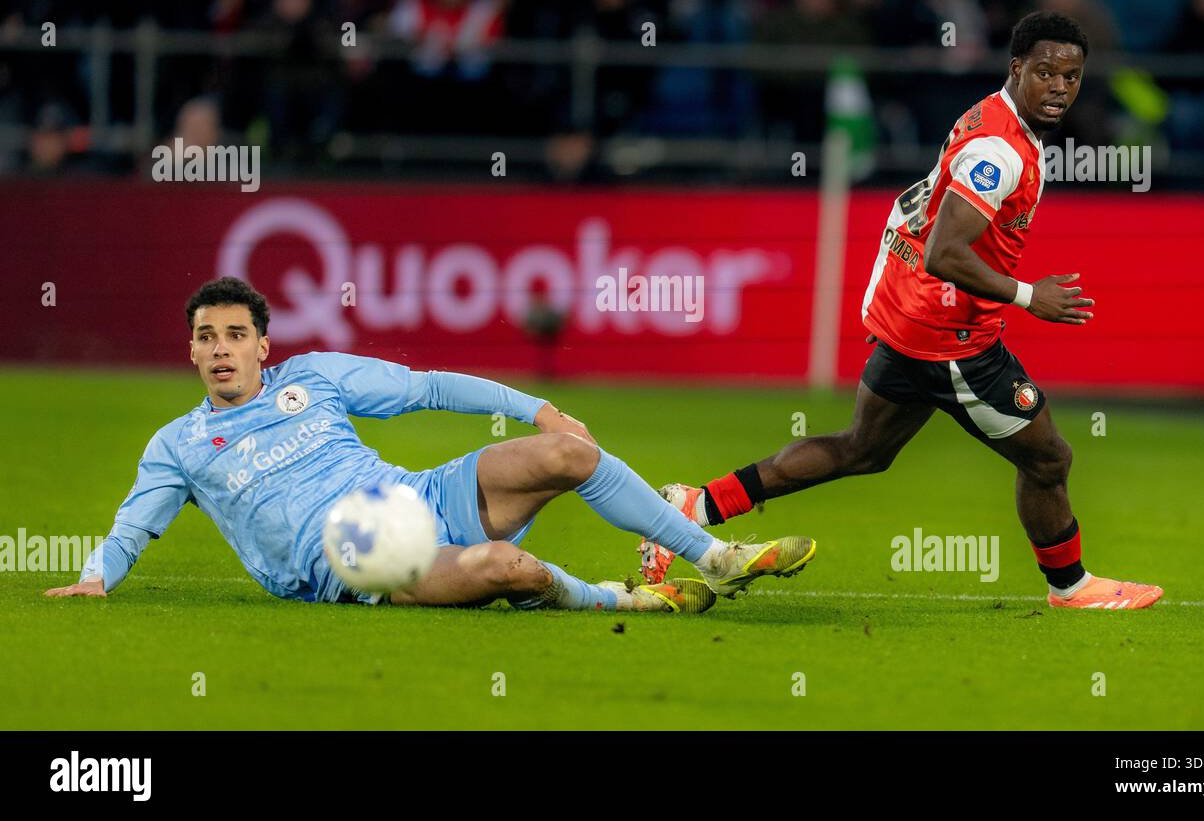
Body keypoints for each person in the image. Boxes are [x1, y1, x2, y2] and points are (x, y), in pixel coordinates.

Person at [640, 11, 1163, 611]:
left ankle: (693, 505)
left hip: (912, 315)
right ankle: (1070, 587)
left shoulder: (993, 116)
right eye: (1045, 72)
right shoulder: (1000, 150)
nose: (1059, 88)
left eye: (1071, 77)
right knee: (1048, 457)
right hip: (951, 337)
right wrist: (1027, 295)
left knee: (863, 448)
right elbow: (945, 252)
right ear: (1016, 68)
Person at [46, 278, 815, 614]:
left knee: (570, 455)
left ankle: (713, 555)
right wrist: (95, 576)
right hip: (363, 559)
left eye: (235, 336)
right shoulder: (178, 444)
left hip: (418, 496)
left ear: (262, 345)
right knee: (509, 569)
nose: (221, 350)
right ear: (190, 352)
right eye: (206, 338)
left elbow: (429, 386)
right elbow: (133, 524)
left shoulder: (314, 376)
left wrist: (540, 408)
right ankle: (626, 599)